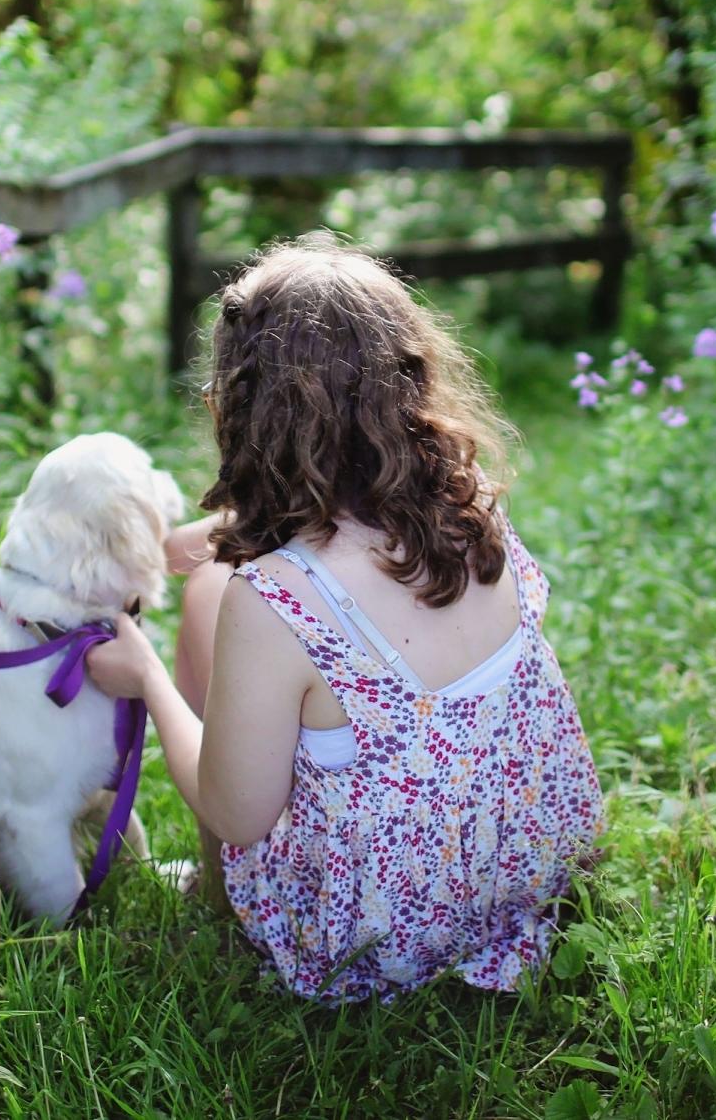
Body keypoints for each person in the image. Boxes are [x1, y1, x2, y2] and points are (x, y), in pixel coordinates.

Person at [86, 238, 604, 1002]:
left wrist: (150, 681)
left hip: (375, 932)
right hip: (526, 869)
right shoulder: (472, 507)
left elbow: (239, 814)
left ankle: (218, 896)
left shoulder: (271, 600)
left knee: (205, 594)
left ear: (240, 409)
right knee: (214, 579)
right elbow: (336, 545)